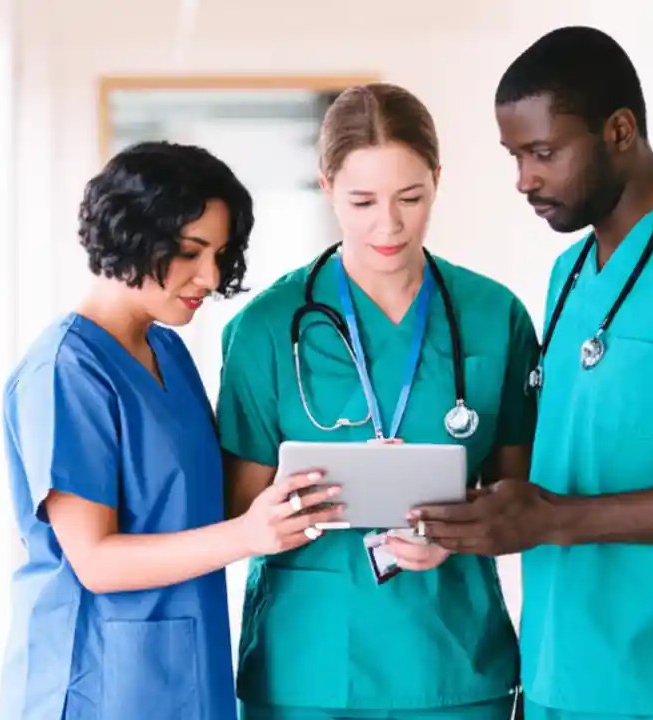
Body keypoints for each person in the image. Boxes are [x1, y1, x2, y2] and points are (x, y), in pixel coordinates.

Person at [411, 26, 653, 720]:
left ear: (620, 130)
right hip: (563, 667)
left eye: (543, 152)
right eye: (514, 157)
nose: (524, 180)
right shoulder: (568, 277)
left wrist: (558, 520)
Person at [217, 83, 538, 720]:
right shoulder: (266, 329)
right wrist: (293, 510)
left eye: (410, 197)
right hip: (308, 664)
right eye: (361, 200)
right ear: (327, 184)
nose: (387, 225)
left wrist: (456, 535)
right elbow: (237, 511)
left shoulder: (493, 316)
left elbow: (520, 500)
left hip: (451, 662)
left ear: (438, 180)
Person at [0, 141, 344, 720]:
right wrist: (249, 536)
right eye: (190, 252)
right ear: (130, 236)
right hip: (96, 680)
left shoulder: (168, 351)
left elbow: (197, 508)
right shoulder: (66, 371)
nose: (210, 276)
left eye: (221, 253)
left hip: (185, 664)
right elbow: (96, 561)